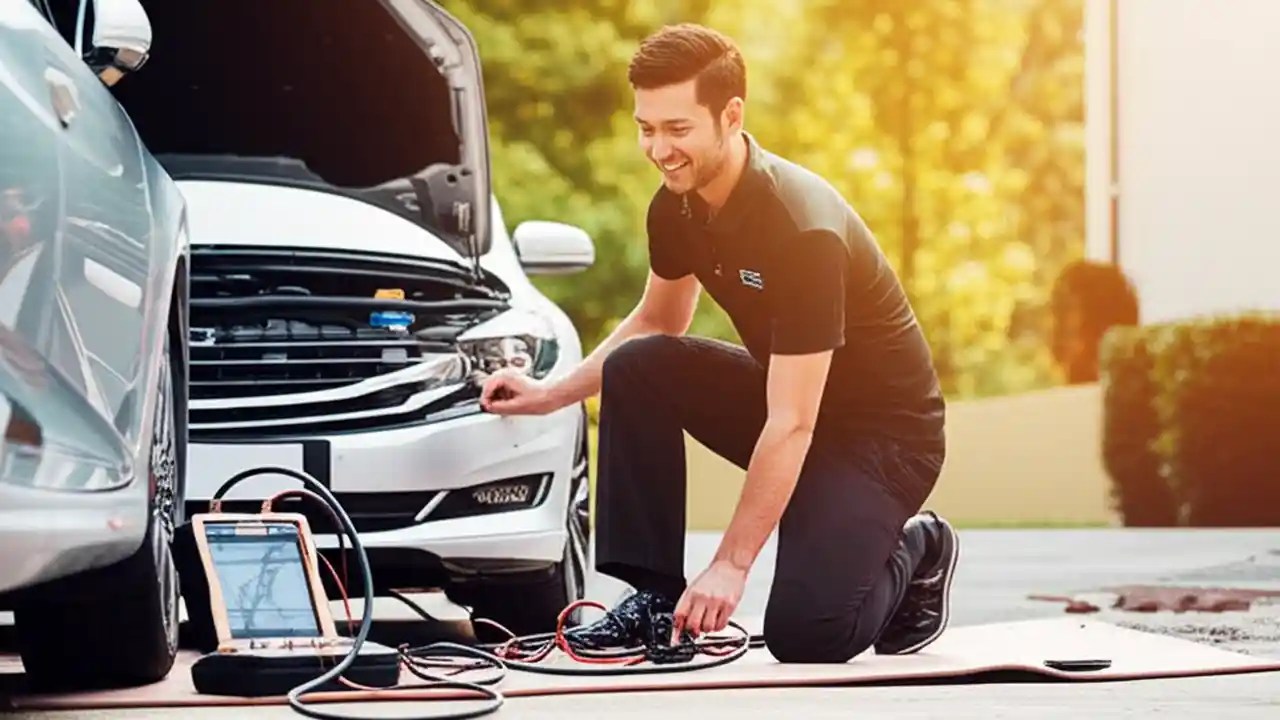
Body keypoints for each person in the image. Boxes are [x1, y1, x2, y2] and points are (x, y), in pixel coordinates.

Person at [478, 23, 958, 663]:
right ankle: (651, 594)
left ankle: (919, 546)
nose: (659, 149)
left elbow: (792, 423)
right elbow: (656, 323)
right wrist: (549, 395)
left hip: (884, 440)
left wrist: (730, 564)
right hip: (794, 409)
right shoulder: (674, 206)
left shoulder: (801, 228)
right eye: (647, 128)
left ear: (731, 116)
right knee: (640, 365)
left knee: (807, 635)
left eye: (678, 130)